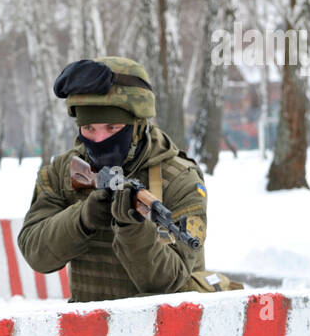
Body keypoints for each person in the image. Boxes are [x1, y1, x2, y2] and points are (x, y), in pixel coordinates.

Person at [17, 56, 208, 302]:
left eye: (112, 128)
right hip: (88, 328)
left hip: (163, 332)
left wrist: (132, 228)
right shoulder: (65, 170)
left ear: (138, 124)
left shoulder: (180, 178)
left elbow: (169, 283)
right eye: (89, 129)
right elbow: (37, 254)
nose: (98, 140)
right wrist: (83, 217)